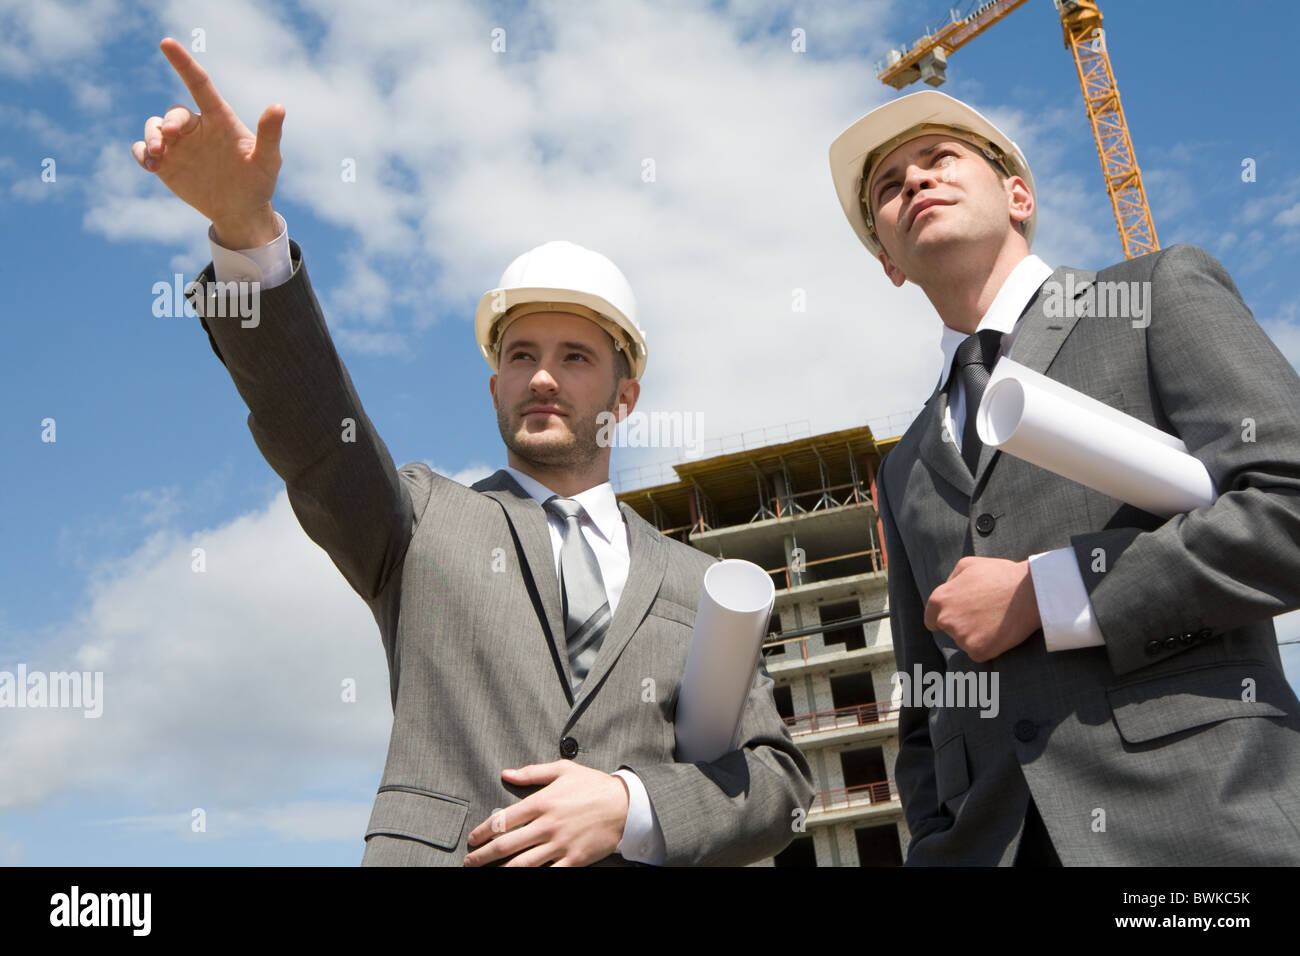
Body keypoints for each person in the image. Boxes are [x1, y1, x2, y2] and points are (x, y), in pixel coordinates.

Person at [132, 37, 812, 867]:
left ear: (624, 397)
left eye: (575, 358)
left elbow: (777, 781)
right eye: (520, 356)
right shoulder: (416, 522)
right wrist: (248, 238)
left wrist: (633, 805)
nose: (542, 379)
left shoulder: (702, 585)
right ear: (494, 387)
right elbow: (312, 427)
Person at [828, 89, 1300, 865]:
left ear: (1019, 195)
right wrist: (938, 837)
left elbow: (1288, 505)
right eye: (887, 186)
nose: (913, 181)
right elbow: (926, 700)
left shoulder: (1152, 297)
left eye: (940, 157)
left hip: (1201, 836)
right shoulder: (903, 462)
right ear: (887, 263)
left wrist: (1051, 594)